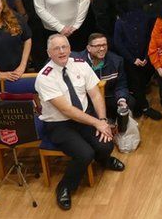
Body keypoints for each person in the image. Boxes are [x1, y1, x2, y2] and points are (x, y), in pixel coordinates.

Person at [35, 34, 124, 210]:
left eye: (64, 47)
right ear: (48, 53)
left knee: (106, 145)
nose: (61, 51)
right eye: (56, 48)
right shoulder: (44, 77)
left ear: (70, 48)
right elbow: (67, 110)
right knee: (84, 154)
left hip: (84, 118)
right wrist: (96, 123)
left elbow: (95, 94)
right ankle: (65, 187)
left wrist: (103, 120)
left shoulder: (80, 64)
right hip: (59, 124)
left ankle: (103, 160)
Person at [72, 33, 132, 119]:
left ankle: (119, 129)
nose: (102, 48)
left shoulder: (117, 61)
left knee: (130, 102)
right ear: (89, 48)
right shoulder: (77, 62)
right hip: (87, 99)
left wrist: (122, 100)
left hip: (107, 96)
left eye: (104, 45)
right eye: (98, 46)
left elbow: (121, 84)